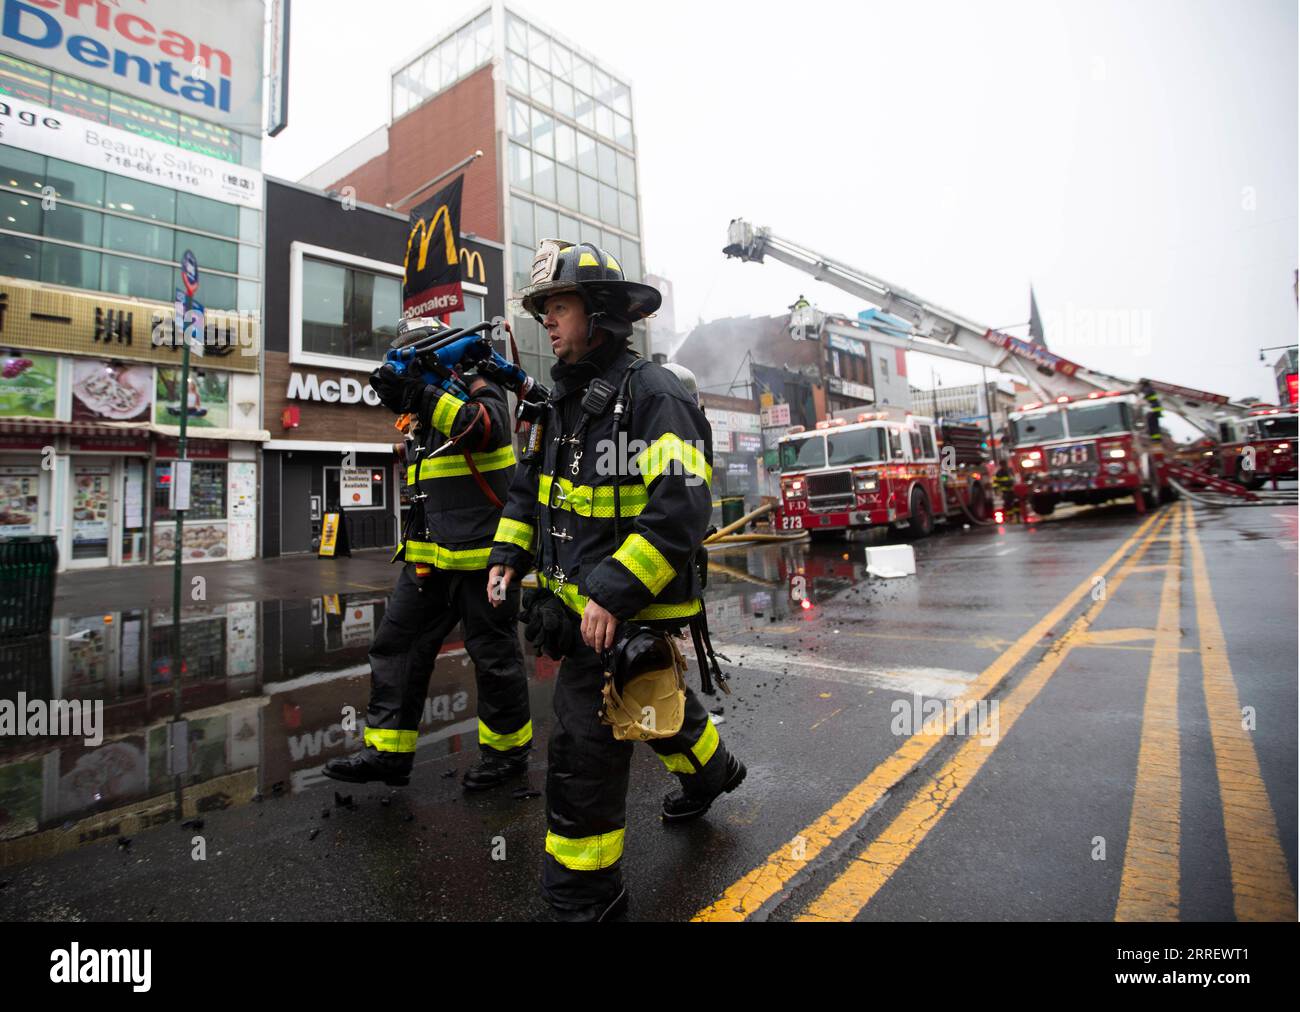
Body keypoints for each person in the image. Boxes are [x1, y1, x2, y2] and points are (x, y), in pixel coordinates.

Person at [486, 240, 745, 921]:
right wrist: (505, 559)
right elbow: (527, 494)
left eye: (559, 307)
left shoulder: (655, 394)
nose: (548, 320)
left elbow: (681, 505)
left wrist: (614, 591)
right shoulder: (559, 404)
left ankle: (585, 900)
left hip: (624, 607)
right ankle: (715, 771)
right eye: (544, 309)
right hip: (581, 609)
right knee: (652, 706)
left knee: (581, 749)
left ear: (599, 313)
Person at [324, 318, 532, 792]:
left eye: (411, 355)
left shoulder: (478, 386)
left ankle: (506, 757)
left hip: (484, 562)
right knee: (396, 647)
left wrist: (420, 394)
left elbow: (485, 429)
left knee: (494, 658)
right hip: (429, 562)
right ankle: (388, 753)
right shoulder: (424, 408)